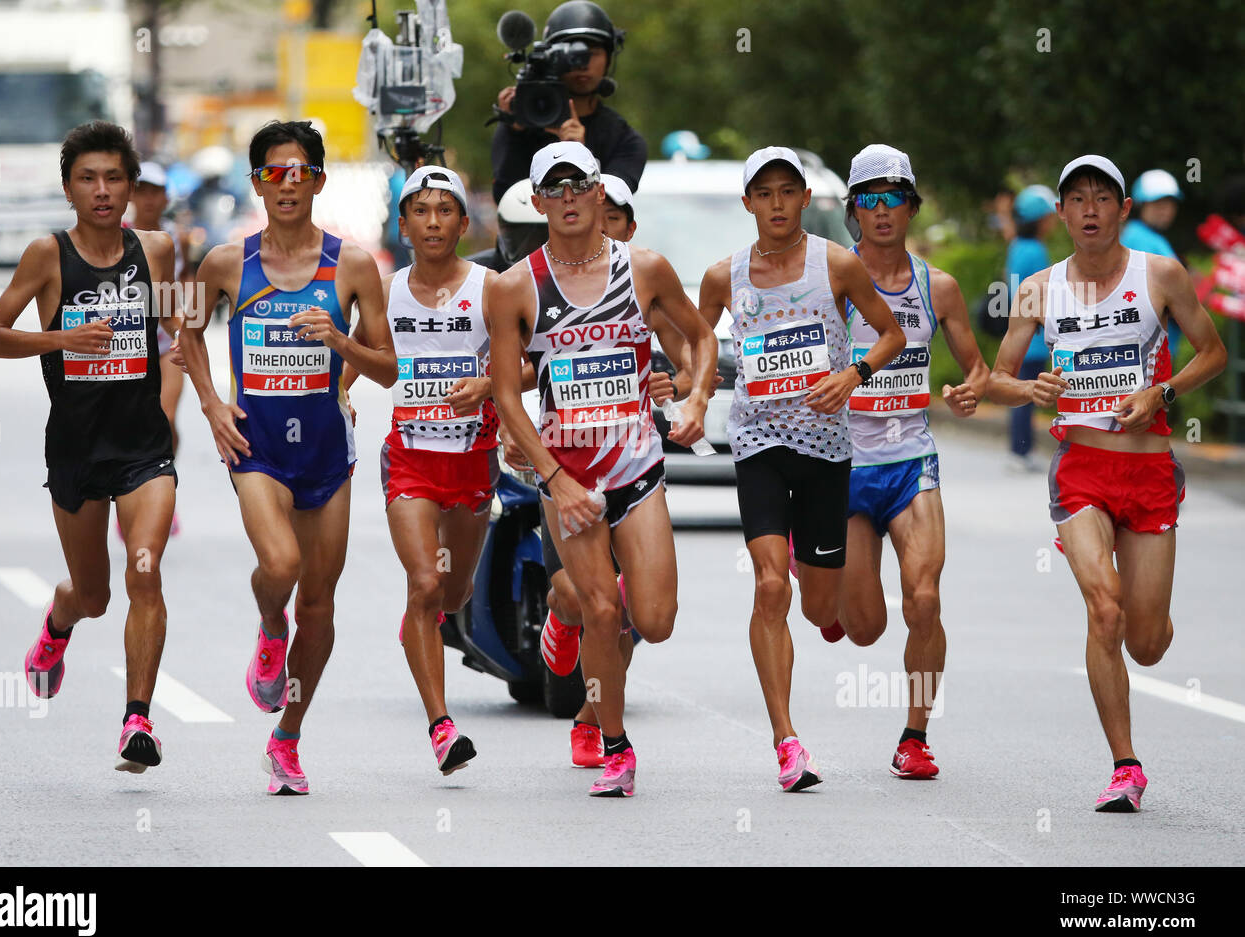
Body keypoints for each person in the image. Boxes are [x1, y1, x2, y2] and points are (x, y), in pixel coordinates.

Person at [987, 155, 1226, 812]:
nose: (1089, 209)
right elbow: (1000, 376)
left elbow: (1213, 352)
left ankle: (1155, 615)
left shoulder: (1162, 276)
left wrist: (1161, 392)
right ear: (1062, 214)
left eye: (1102, 198)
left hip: (1149, 470)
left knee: (1145, 643)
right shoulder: (1038, 287)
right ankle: (1125, 765)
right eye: (1076, 199)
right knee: (1105, 610)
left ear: (1123, 211)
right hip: (1082, 472)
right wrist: (1025, 387)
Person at [488, 142, 717, 796]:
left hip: (638, 469)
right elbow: (508, 394)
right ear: (536, 202)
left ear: (597, 194)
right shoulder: (514, 288)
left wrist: (697, 396)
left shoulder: (644, 269)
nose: (565, 199)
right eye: (551, 189)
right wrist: (555, 481)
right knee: (598, 608)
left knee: (654, 620)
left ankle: (572, 624)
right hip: (571, 481)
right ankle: (614, 746)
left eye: (577, 186)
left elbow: (700, 337)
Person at [179, 120, 390, 795]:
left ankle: (288, 738)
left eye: (300, 172)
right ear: (258, 184)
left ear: (319, 182)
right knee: (282, 567)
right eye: (275, 173)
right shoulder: (224, 263)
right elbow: (185, 334)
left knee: (322, 607)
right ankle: (271, 623)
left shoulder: (351, 265)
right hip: (259, 446)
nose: (288, 184)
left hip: (327, 451)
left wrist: (340, 341)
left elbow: (386, 367)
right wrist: (213, 404)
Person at [697, 146, 905, 792]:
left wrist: (853, 374)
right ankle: (787, 742)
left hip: (825, 453)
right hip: (757, 444)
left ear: (805, 200)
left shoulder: (835, 265)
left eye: (789, 192)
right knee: (768, 588)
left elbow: (891, 333)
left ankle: (813, 574)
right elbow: (697, 345)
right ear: (748, 204)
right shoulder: (721, 277)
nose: (779, 204)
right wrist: (688, 387)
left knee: (818, 608)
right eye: (766, 194)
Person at [0, 121, 179, 773]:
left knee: (144, 570)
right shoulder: (46, 254)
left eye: (114, 178)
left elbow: (184, 331)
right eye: (88, 178)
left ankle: (137, 720)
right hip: (75, 447)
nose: (102, 190)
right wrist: (62, 340)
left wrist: (207, 401)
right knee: (94, 595)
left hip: (143, 445)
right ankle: (60, 623)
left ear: (131, 188)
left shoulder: (157, 251)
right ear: (68, 188)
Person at [824, 143, 989, 779]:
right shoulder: (833, 280)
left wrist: (969, 389)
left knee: (923, 598)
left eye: (895, 198)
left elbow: (976, 367)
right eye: (869, 200)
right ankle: (826, 587)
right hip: (843, 464)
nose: (883, 211)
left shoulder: (937, 288)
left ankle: (915, 736)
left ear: (913, 208)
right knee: (863, 629)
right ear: (854, 212)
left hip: (911, 460)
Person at [340, 166, 500, 775]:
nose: (433, 222)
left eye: (445, 210)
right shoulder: (385, 289)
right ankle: (441, 727)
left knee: (452, 594)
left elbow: (529, 364)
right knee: (426, 586)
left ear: (464, 221)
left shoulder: (493, 287)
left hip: (473, 461)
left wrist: (487, 384)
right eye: (421, 211)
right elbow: (366, 347)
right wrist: (341, 390)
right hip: (410, 458)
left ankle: (419, 624)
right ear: (403, 225)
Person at [490, 1, 646, 203]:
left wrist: (581, 157)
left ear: (609, 59)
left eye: (593, 52)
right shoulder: (521, 125)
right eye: (572, 53)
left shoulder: (625, 140)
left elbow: (612, 207)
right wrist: (514, 134)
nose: (583, 63)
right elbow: (506, 200)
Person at [129, 160, 186, 533]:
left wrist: (188, 333)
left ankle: (161, 490)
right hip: (129, 345)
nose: (150, 199)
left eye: (156, 191)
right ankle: (131, 495)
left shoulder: (177, 239)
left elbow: (187, 288)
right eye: (142, 190)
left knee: (165, 419)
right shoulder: (115, 236)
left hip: (166, 343)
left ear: (166, 197)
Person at [1004, 185, 1058, 471]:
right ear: (1038, 219)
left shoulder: (1016, 246)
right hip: (1035, 338)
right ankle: (1020, 451)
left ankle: (1021, 449)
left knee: (1022, 393)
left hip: (1020, 334)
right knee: (1029, 394)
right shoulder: (1036, 250)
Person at [1123, 169, 1185, 359]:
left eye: (1170, 203)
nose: (1165, 209)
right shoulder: (1141, 239)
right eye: (1158, 203)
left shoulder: (1146, 236)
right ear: (1141, 205)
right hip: (1149, 348)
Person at [467, 178, 550, 273]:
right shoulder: (476, 273)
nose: (529, 245)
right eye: (520, 236)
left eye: (539, 237)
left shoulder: (566, 276)